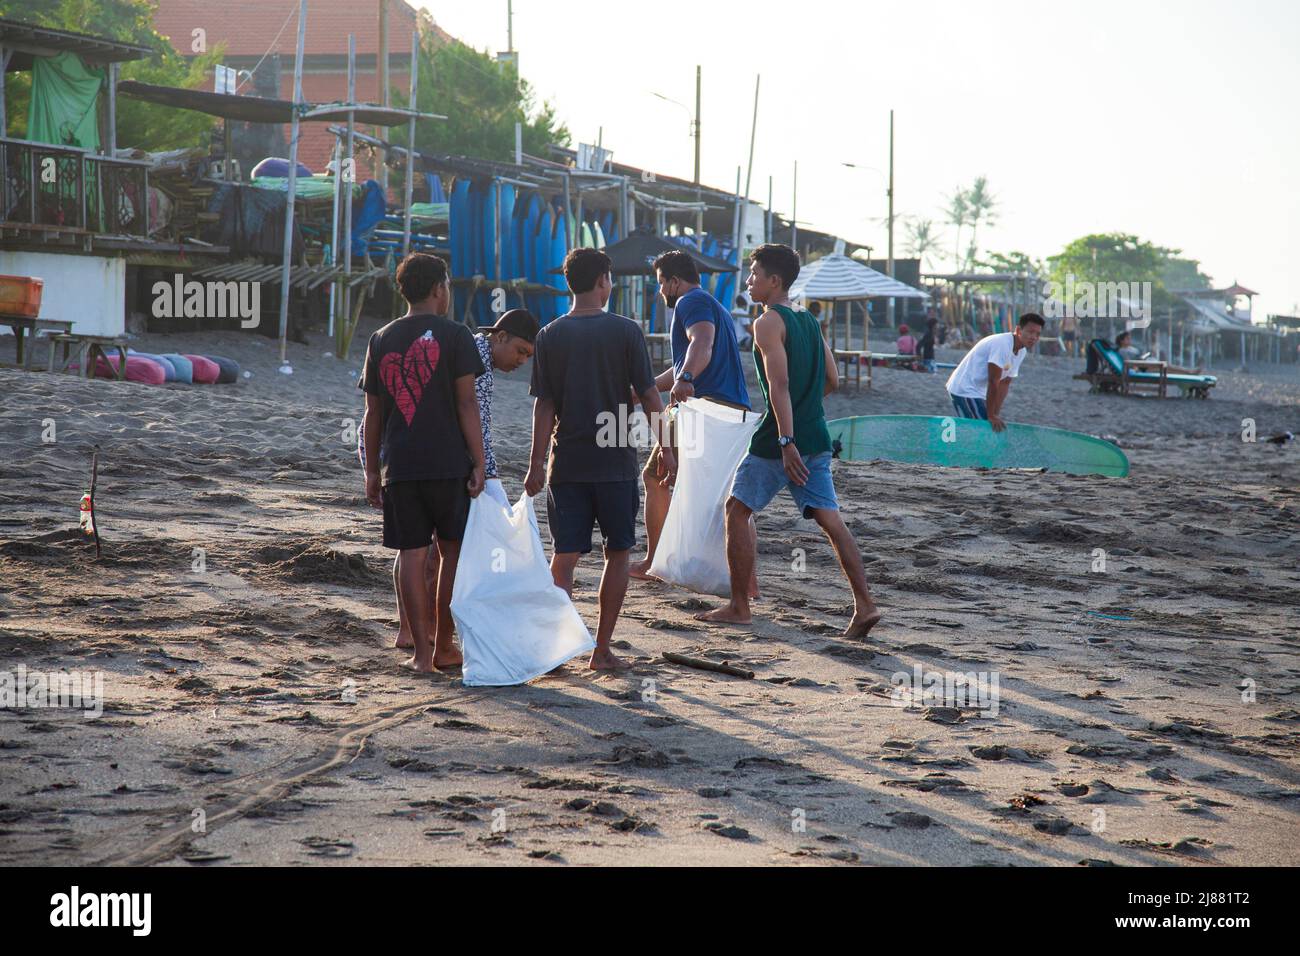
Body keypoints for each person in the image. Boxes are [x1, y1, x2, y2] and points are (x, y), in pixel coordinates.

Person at [696, 243, 882, 639]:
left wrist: (785, 437)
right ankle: (865, 605)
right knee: (832, 521)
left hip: (780, 438)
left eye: (754, 275)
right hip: (816, 431)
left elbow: (778, 385)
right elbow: (832, 380)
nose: (748, 282)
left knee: (736, 510)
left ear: (774, 280)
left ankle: (739, 606)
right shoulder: (807, 319)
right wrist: (804, 415)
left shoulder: (768, 322)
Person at [524, 248, 676, 671]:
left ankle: (555, 650)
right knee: (618, 553)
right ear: (604, 281)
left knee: (565, 555)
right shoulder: (626, 332)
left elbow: (544, 406)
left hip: (566, 462)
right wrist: (667, 447)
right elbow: (649, 396)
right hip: (614, 461)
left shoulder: (549, 334)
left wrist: (535, 464)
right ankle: (601, 650)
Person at [360, 308, 538, 651]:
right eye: (520, 351)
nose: (521, 362)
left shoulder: (463, 344)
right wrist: (485, 471)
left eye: (528, 357)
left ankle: (413, 630)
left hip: (394, 447)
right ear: (500, 336)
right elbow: (472, 415)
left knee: (413, 549)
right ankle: (430, 634)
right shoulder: (471, 355)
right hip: (416, 453)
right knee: (435, 554)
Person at [360, 253, 487, 672]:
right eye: (447, 285)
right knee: (451, 554)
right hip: (447, 463)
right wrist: (480, 462)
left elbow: (373, 414)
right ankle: (444, 647)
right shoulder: (456, 335)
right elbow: (467, 403)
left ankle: (419, 655)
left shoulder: (380, 338)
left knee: (412, 554)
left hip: (400, 464)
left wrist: (371, 471)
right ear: (438, 289)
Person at [631, 249, 751, 581]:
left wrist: (686, 379)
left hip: (707, 409)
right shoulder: (714, 305)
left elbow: (702, 342)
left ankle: (653, 562)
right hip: (733, 410)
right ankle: (747, 581)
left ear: (674, 281)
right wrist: (645, 388)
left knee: (654, 477)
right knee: (728, 496)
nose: (659, 292)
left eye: (660, 284)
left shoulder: (689, 302)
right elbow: (687, 358)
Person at [945, 312, 1044, 432]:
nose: (1033, 337)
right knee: (981, 430)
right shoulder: (1002, 344)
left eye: (1037, 334)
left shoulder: (1021, 351)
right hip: (964, 387)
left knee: (987, 427)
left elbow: (1005, 383)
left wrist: (994, 414)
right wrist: (991, 415)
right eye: (1030, 332)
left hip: (978, 391)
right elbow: (993, 381)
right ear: (1018, 330)